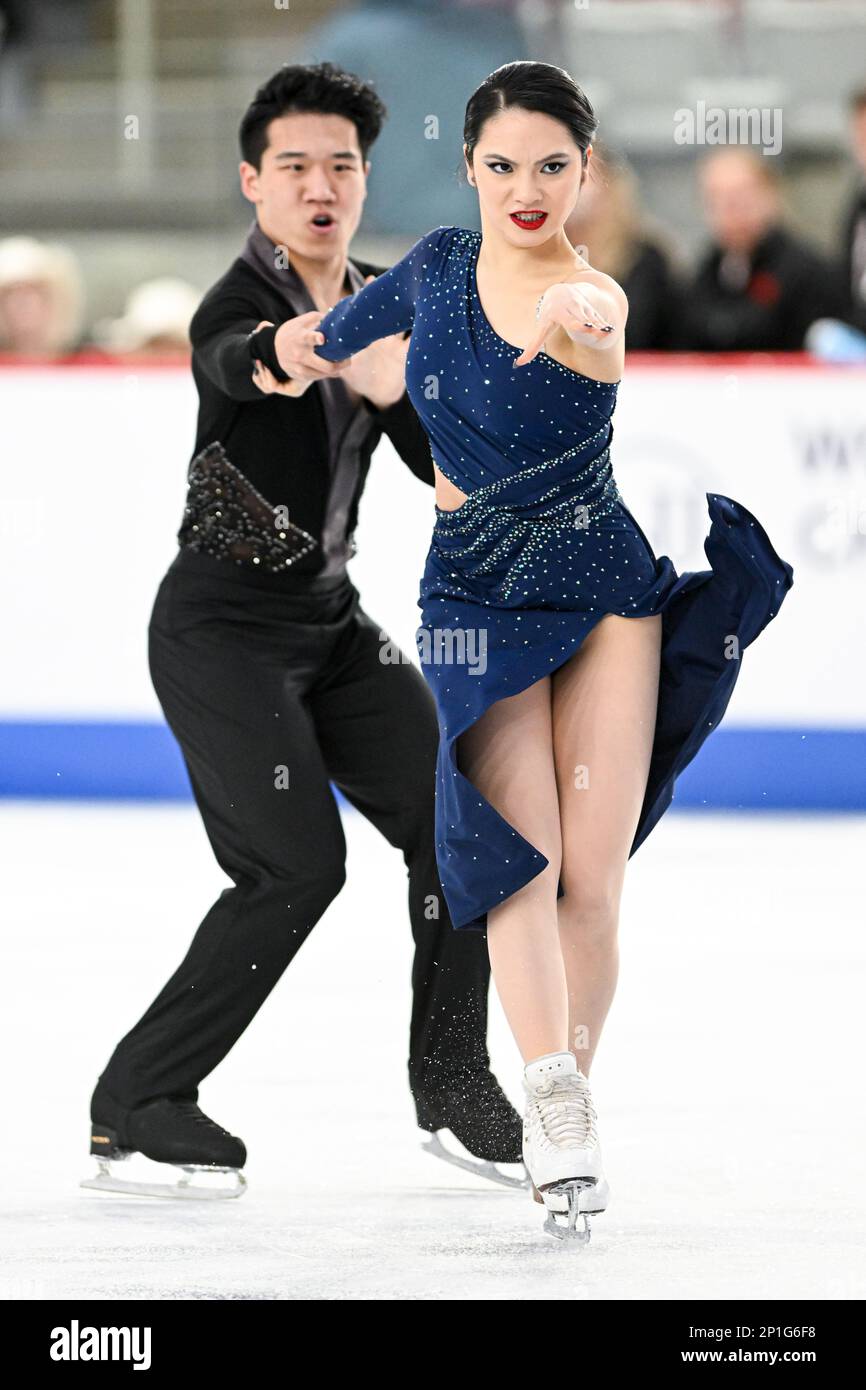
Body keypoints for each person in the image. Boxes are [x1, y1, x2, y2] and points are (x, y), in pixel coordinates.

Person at [263, 61, 794, 1241]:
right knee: (517, 860)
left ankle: (565, 1100)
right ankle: (550, 1093)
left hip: (604, 588)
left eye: (551, 165)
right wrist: (282, 350)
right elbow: (332, 332)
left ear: (585, 171)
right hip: (474, 599)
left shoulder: (592, 290)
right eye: (501, 164)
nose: (525, 188)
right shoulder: (439, 269)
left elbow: (600, 343)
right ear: (467, 168)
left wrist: (576, 320)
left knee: (592, 879)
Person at [83, 62, 525, 1202]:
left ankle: (450, 1079)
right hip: (220, 630)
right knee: (293, 867)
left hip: (328, 625)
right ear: (253, 182)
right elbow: (250, 360)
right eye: (294, 166)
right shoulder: (230, 300)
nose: (319, 185)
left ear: (364, 180)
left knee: (456, 823)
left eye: (340, 164)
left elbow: (443, 466)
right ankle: (138, 1101)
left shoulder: (396, 302)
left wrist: (420, 391)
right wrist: (326, 351)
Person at [672, 147, 847, 352]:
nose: (730, 209)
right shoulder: (703, 274)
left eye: (741, 196)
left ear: (770, 194)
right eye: (716, 199)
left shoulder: (809, 273)